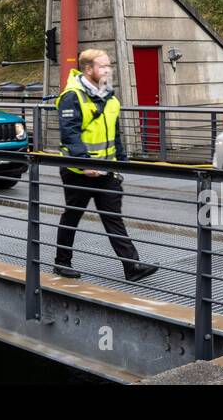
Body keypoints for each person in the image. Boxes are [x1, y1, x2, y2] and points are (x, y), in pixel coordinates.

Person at [53, 49, 158, 283]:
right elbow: (70, 134)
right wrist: (85, 164)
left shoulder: (110, 96)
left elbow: (115, 135)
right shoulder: (73, 96)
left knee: (113, 217)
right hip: (78, 172)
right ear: (88, 69)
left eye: (109, 65)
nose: (108, 70)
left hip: (106, 171)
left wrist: (123, 163)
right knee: (72, 216)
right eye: (103, 66)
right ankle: (61, 263)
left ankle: (132, 267)